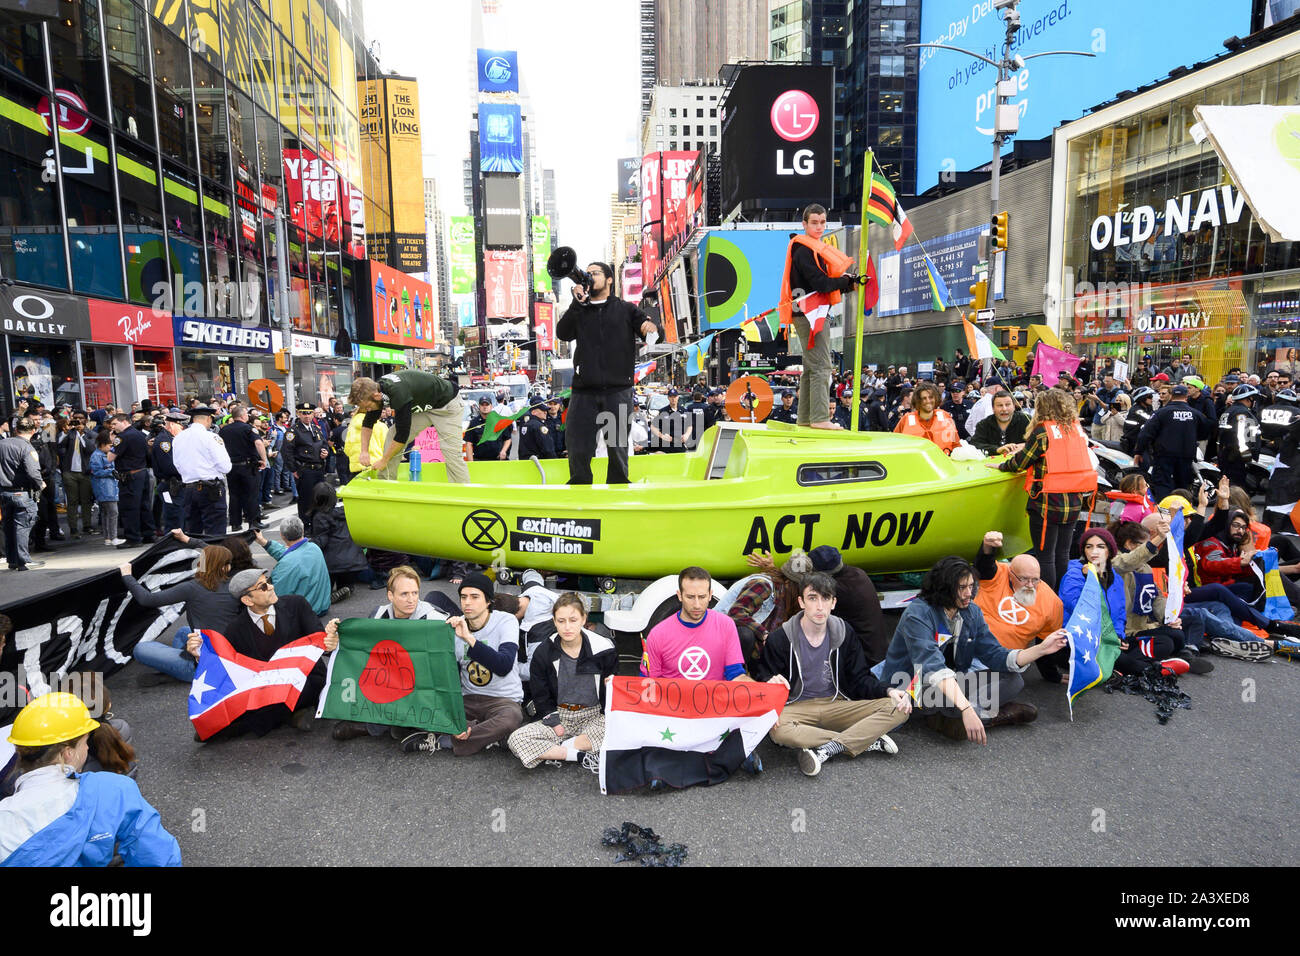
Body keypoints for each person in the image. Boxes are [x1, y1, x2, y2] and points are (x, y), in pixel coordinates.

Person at [874, 557, 1066, 744]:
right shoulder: (918, 614)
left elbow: (995, 654)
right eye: (962, 588)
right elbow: (932, 667)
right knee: (956, 703)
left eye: (971, 586)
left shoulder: (971, 611)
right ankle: (984, 717)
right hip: (911, 686)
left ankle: (955, 717)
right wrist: (966, 709)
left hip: (951, 683)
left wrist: (1041, 649)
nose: (969, 593)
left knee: (1013, 680)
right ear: (944, 587)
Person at [0, 692, 181, 865]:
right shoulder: (114, 790)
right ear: (68, 753)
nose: (87, 749)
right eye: (85, 742)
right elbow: (158, 857)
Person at [764, 573, 910, 777]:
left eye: (825, 599)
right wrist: (769, 684)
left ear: (834, 603)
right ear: (801, 602)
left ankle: (827, 748)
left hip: (837, 704)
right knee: (777, 731)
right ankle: (865, 740)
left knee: (899, 707)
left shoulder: (844, 632)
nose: (819, 606)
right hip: (797, 708)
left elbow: (860, 678)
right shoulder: (780, 638)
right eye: (813, 598)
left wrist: (889, 689)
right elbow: (765, 677)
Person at [186, 568, 329, 738]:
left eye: (268, 581)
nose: (271, 587)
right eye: (263, 587)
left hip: (306, 678)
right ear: (247, 599)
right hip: (267, 686)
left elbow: (320, 639)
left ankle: (241, 727)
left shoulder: (296, 604)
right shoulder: (235, 629)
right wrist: (199, 656)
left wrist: (331, 640)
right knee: (256, 699)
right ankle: (292, 715)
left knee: (268, 703)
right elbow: (226, 671)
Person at [555, 262, 660, 484]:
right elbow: (563, 333)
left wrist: (648, 328)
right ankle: (579, 489)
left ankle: (618, 490)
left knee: (618, 448)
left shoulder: (625, 308)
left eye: (595, 273)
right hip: (584, 391)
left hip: (617, 391)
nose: (590, 276)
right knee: (577, 445)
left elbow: (644, 325)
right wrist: (577, 303)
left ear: (610, 279)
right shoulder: (580, 309)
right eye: (588, 273)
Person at [400, 572, 523, 755]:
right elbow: (447, 676)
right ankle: (487, 737)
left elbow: (503, 666)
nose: (467, 602)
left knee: (511, 719)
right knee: (426, 707)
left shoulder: (506, 621)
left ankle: (445, 741)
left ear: (488, 601)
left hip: (503, 701)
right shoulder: (452, 629)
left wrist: (468, 638)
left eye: (474, 597)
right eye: (463, 597)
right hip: (468, 699)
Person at [328, 565, 448, 743]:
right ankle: (398, 723)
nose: (411, 599)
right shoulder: (378, 615)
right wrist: (335, 640)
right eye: (404, 594)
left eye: (415, 593)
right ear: (390, 595)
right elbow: (360, 649)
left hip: (424, 680)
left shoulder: (435, 619)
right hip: (391, 677)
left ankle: (370, 727)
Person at [993, 387, 1097, 591]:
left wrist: (1002, 465)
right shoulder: (1076, 429)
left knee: (1045, 556)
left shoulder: (1042, 432)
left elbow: (1020, 463)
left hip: (1047, 504)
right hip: (1074, 502)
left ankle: (1047, 599)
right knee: (1063, 554)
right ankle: (1061, 596)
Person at [507, 592, 617, 770]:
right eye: (561, 621)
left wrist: (611, 686)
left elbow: (614, 691)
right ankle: (578, 754)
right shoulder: (544, 652)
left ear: (583, 619)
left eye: (573, 620)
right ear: (554, 621)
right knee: (517, 739)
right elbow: (540, 693)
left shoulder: (603, 648)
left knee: (618, 728)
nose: (567, 627)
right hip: (561, 715)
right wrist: (553, 721)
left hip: (594, 715)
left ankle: (559, 749)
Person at [778, 205, 859, 430]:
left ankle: (806, 418)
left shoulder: (805, 248)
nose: (819, 227)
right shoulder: (805, 249)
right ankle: (820, 418)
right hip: (809, 313)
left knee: (812, 368)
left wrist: (846, 282)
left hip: (807, 311)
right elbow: (821, 284)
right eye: (815, 222)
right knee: (822, 366)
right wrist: (847, 281)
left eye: (823, 222)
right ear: (804, 224)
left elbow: (822, 284)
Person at [123, 544, 241, 685]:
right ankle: (177, 670)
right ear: (226, 567)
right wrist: (189, 540)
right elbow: (217, 556)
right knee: (182, 632)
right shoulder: (237, 585)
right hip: (229, 656)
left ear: (201, 564)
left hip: (205, 664)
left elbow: (148, 599)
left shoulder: (192, 587)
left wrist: (127, 576)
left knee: (140, 649)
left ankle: (185, 673)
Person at [972, 531, 1066, 682]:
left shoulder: (1053, 603)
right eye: (1023, 579)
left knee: (1012, 684)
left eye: (1035, 580)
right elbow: (984, 566)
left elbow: (1046, 643)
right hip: (973, 646)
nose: (1030, 585)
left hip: (1005, 660)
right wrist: (988, 547)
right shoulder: (999, 574)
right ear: (1010, 573)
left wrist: (1051, 675)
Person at [350, 371, 467, 483]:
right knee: (392, 434)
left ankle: (464, 493)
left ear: (376, 396)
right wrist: (364, 451)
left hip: (447, 406)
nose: (368, 410)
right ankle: (386, 483)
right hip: (425, 406)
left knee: (451, 452)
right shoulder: (376, 392)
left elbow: (402, 436)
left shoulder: (398, 393)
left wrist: (384, 460)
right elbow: (368, 423)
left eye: (368, 407)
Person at [1135, 384, 1211, 501]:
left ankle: (1165, 511)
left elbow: (1145, 433)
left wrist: (1139, 451)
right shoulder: (1196, 414)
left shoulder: (1161, 413)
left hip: (1164, 456)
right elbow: (1206, 430)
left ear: (1171, 396)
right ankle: (1183, 513)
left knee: (1162, 485)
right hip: (1186, 456)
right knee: (1183, 485)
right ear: (1186, 397)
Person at [173, 405, 231, 537]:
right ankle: (215, 557)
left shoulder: (178, 438)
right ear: (209, 419)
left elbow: (177, 464)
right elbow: (225, 466)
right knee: (215, 530)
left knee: (193, 531)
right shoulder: (211, 437)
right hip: (210, 488)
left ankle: (196, 556)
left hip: (189, 487)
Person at [306, 483, 370, 603]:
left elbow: (322, 541)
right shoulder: (345, 512)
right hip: (353, 560)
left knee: (325, 584)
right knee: (346, 582)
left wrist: (307, 544)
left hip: (333, 564)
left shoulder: (320, 516)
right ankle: (347, 588)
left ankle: (327, 593)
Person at [253, 517, 331, 617]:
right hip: (321, 605)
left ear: (282, 535)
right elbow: (290, 554)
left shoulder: (286, 564)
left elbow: (276, 596)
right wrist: (264, 542)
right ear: (302, 531)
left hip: (304, 613)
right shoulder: (314, 548)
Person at [0, 416, 46, 570]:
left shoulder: (2, 443)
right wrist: (41, 484)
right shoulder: (27, 447)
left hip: (4, 492)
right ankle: (24, 560)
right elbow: (33, 472)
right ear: (33, 430)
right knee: (22, 526)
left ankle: (12, 559)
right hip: (22, 492)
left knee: (9, 527)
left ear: (15, 429)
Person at [108, 413, 154, 548]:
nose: (113, 427)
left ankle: (133, 538)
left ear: (124, 422)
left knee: (129, 507)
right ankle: (148, 534)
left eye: (115, 424)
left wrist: (112, 441)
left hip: (130, 476)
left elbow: (110, 457)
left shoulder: (122, 437)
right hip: (142, 472)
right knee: (144, 505)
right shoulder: (140, 434)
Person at [219, 405, 268, 532]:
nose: (247, 416)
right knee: (251, 494)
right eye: (246, 414)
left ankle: (235, 523)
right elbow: (258, 443)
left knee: (235, 495)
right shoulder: (248, 428)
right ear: (242, 416)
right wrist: (264, 459)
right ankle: (254, 521)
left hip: (232, 467)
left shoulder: (224, 430)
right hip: (248, 466)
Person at [281, 402, 330, 521]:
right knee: (306, 500)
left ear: (313, 414)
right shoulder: (293, 431)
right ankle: (306, 524)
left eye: (309, 413)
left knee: (320, 497)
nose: (307, 416)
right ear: (298, 414)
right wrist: (293, 469)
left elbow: (324, 443)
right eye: (303, 414)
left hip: (318, 469)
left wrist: (325, 452)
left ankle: (318, 522)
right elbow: (287, 451)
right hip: (305, 470)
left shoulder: (315, 429)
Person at [148, 411, 189, 535]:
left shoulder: (172, 438)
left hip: (176, 485)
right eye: (181, 426)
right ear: (172, 425)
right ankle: (171, 545)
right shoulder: (164, 441)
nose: (183, 429)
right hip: (171, 485)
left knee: (179, 516)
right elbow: (169, 466)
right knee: (174, 518)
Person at [57, 412, 95, 540]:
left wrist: (82, 433)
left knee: (86, 501)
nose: (78, 421)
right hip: (70, 472)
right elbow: (59, 445)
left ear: (85, 420)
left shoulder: (91, 433)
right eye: (76, 419)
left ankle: (87, 526)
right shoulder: (70, 433)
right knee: (72, 501)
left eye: (80, 419)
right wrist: (68, 431)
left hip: (85, 472)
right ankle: (73, 528)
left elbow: (90, 449)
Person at [894, 382, 961, 453]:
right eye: (924, 398)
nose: (928, 401)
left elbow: (956, 445)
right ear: (918, 401)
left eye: (931, 397)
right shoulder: (906, 419)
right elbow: (895, 444)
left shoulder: (946, 417)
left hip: (942, 461)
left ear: (936, 398)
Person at [1216, 384, 1261, 488]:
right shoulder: (1242, 413)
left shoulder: (1228, 411)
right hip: (1236, 458)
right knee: (1237, 488)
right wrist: (1247, 456)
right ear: (1248, 398)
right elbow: (1241, 437)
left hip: (1225, 455)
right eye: (1253, 398)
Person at [970, 390, 1030, 455]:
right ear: (993, 408)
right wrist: (997, 449)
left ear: (1014, 406)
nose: (1004, 409)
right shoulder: (983, 424)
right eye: (999, 405)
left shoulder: (1026, 420)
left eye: (1007, 405)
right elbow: (975, 445)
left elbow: (1039, 441)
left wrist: (1024, 445)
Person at [88, 431, 121, 548]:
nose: (111, 447)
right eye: (109, 445)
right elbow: (96, 472)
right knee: (113, 512)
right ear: (102, 444)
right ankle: (113, 537)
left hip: (108, 487)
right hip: (105, 488)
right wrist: (111, 472)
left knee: (106, 514)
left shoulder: (102, 454)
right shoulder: (96, 456)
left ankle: (108, 538)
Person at [651, 388, 692, 452]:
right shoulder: (662, 412)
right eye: (671, 397)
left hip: (680, 445)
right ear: (668, 398)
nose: (673, 399)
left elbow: (689, 425)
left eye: (675, 396)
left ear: (678, 397)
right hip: (666, 446)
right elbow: (653, 427)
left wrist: (686, 435)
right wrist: (661, 436)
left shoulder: (684, 411)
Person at [1121, 387, 1156, 456]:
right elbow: (1151, 418)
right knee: (1146, 464)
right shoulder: (1137, 410)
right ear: (1142, 398)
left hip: (1141, 442)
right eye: (1149, 396)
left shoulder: (1148, 408)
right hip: (1133, 444)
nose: (1152, 398)